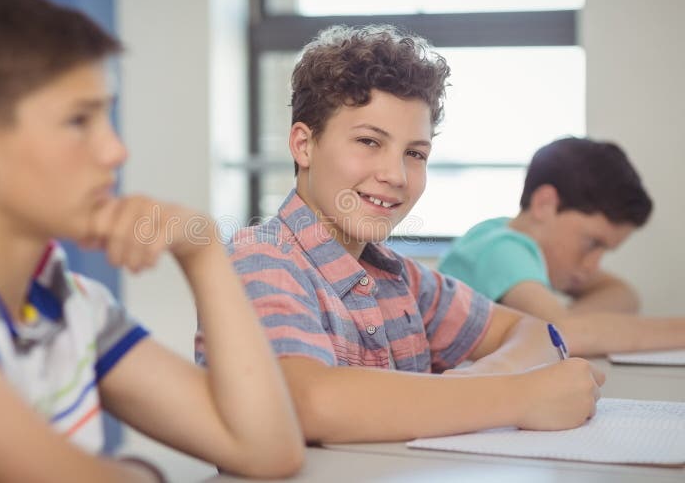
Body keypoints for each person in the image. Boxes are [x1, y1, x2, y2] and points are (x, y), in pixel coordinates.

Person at [0, 0, 303, 483]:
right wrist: (140, 472)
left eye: (107, 115)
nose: (114, 151)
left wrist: (203, 249)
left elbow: (268, 451)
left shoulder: (77, 306)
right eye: (79, 120)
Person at [197, 25, 604, 444]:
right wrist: (518, 396)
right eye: (369, 141)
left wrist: (476, 385)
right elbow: (305, 401)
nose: (395, 175)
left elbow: (534, 332)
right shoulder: (263, 259)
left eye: (415, 153)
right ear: (303, 145)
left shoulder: (400, 279)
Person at [439, 136, 685, 356]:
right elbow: (562, 334)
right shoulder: (501, 250)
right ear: (545, 204)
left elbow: (623, 294)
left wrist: (573, 320)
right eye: (592, 243)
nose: (593, 265)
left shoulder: (499, 231)